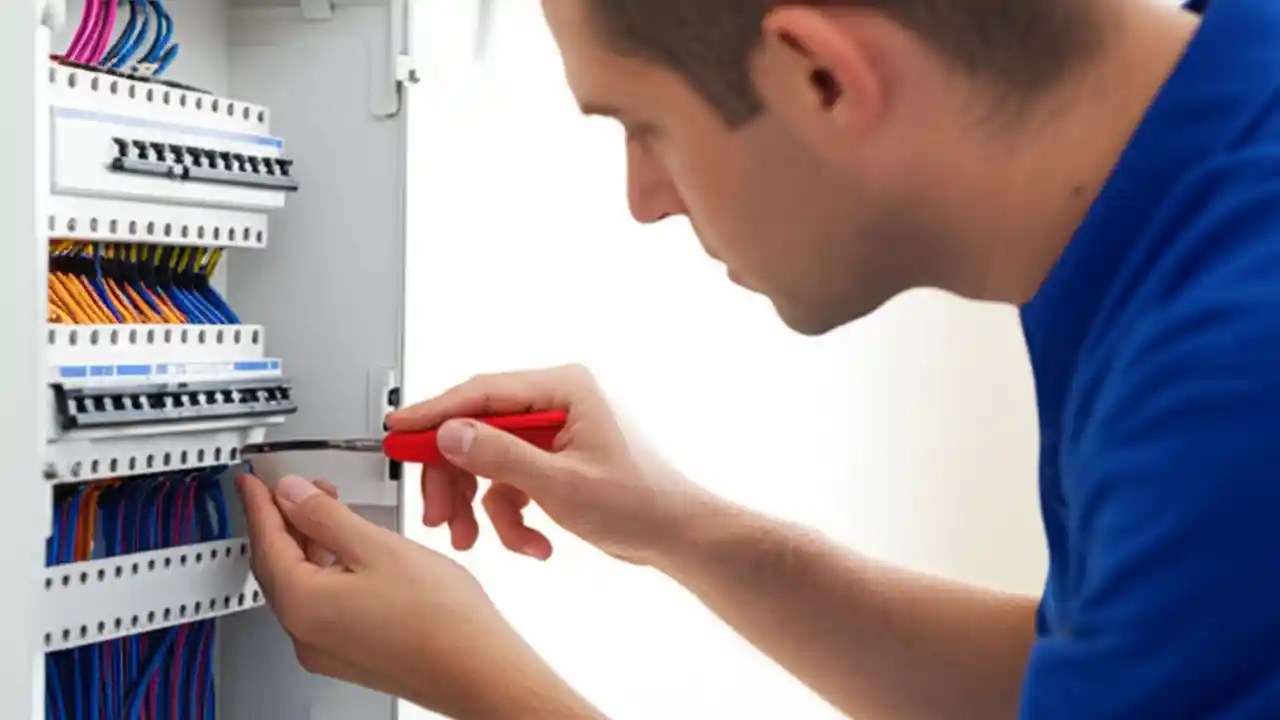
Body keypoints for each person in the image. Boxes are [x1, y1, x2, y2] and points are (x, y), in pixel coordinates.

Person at [237, 0, 1280, 717]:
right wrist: (682, 529)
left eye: (642, 124)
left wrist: (482, 685)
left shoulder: (1230, 385)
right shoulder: (1210, 152)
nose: (643, 199)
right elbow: (1112, 679)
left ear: (820, 76)